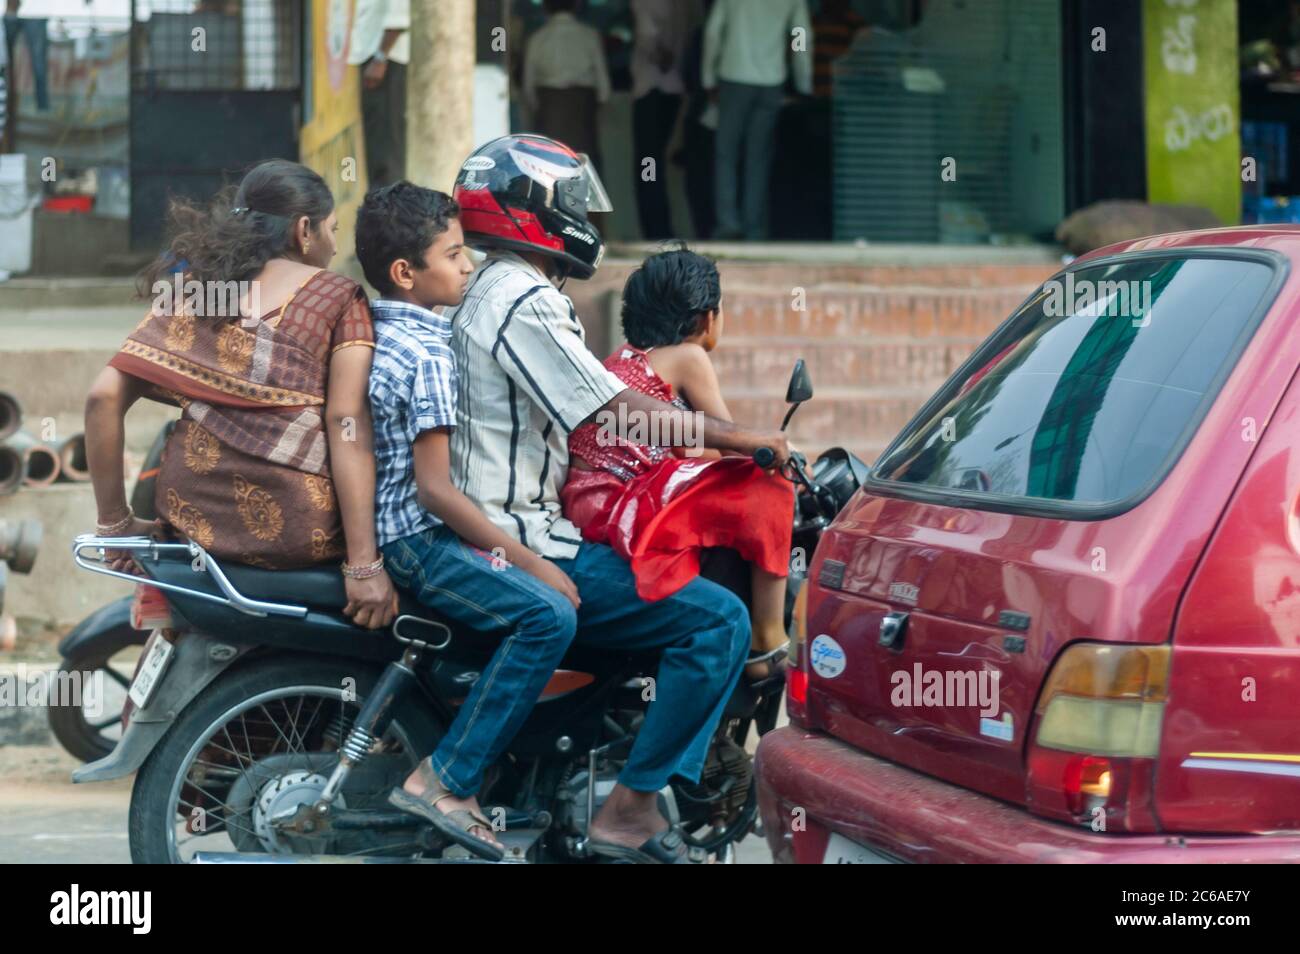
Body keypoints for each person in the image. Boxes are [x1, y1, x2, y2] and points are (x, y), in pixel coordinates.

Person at [448, 134, 790, 863]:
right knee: (718, 624)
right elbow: (616, 412)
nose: (588, 223)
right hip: (526, 535)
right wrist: (742, 439)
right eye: (576, 207)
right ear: (532, 210)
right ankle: (629, 811)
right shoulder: (522, 296)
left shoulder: (493, 287)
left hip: (516, 521)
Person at [355, 181, 578, 853]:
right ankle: (446, 778)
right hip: (420, 543)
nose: (469, 266)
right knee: (550, 616)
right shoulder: (429, 354)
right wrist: (537, 566)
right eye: (453, 255)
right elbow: (436, 491)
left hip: (402, 534)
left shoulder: (380, 331)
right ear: (406, 273)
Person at [84, 159, 398, 630]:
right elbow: (345, 428)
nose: (335, 247)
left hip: (188, 525)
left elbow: (102, 399)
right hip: (297, 535)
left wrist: (115, 524)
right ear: (303, 230)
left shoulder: (196, 292)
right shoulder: (337, 297)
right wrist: (363, 566)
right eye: (332, 230)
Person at [562, 249, 793, 679]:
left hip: (588, 505)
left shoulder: (625, 359)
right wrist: (782, 456)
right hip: (619, 506)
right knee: (770, 482)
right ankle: (768, 638)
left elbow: (689, 443)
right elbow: (731, 445)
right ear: (708, 318)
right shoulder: (689, 357)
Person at [703, 0, 813, 240]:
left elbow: (713, 32)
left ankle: (728, 223)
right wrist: (804, 81)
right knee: (758, 157)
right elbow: (800, 37)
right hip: (772, 80)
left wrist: (708, 77)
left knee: (726, 153)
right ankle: (754, 228)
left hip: (733, 76)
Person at [629, 0, 703, 239]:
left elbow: (647, 33)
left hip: (651, 86)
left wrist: (661, 56)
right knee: (656, 161)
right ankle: (661, 227)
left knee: (647, 163)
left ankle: (655, 229)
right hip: (675, 88)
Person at [522, 0, 609, 172]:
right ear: (577, 4)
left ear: (545, 5)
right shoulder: (589, 35)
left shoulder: (537, 39)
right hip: (583, 117)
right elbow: (604, 91)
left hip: (549, 117)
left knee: (548, 173)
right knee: (586, 173)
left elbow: (528, 89)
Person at [349, 0, 410, 187]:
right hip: (374, 58)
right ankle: (381, 204)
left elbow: (398, 19)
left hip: (386, 60)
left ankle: (389, 208)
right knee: (376, 145)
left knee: (386, 148)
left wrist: (380, 58)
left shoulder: (382, 61)